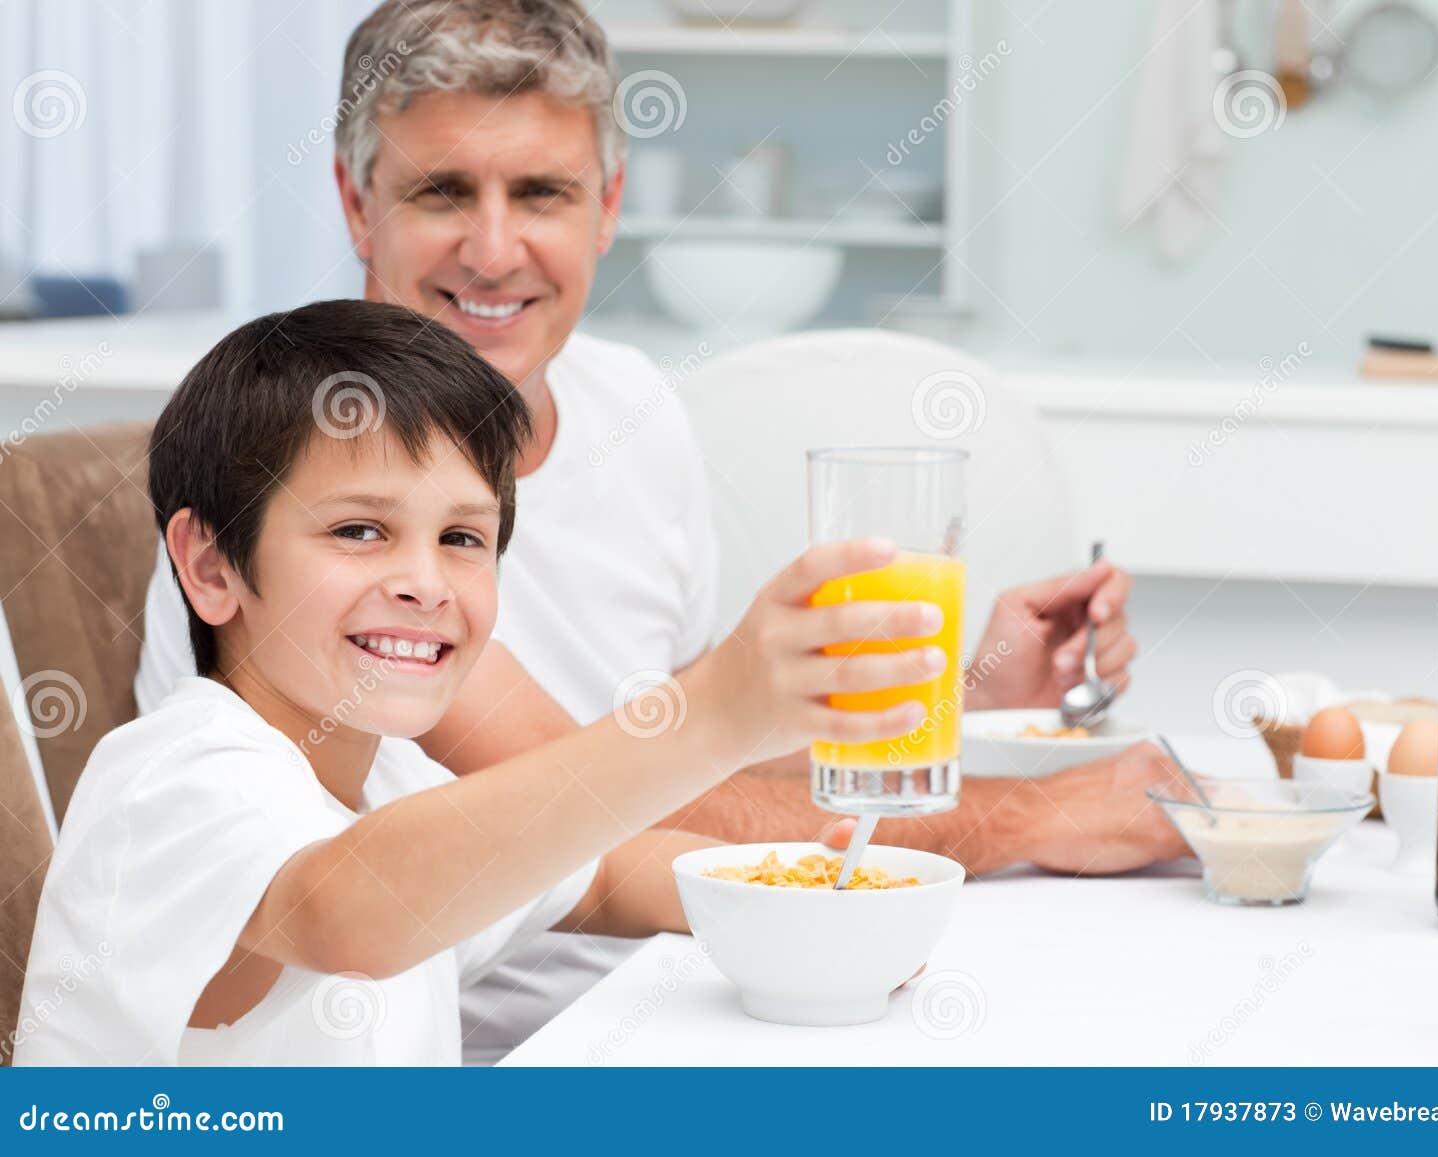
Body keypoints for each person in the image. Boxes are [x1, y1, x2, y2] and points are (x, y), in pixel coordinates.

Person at [132, 0, 1188, 1062]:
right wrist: (1036, 815)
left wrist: (952, 706)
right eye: (441, 190)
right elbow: (590, 808)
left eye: (540, 191)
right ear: (358, 207)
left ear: (607, 206)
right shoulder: (308, 551)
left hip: (680, 992)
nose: (494, 249)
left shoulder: (631, 407)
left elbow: (653, 816)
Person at [16, 299, 946, 1065]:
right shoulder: (171, 782)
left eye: (463, 538)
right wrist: (712, 716)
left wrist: (805, 896)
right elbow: (351, 911)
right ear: (212, 566)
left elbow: (604, 874)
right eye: (359, 530)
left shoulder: (391, 779)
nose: (426, 581)